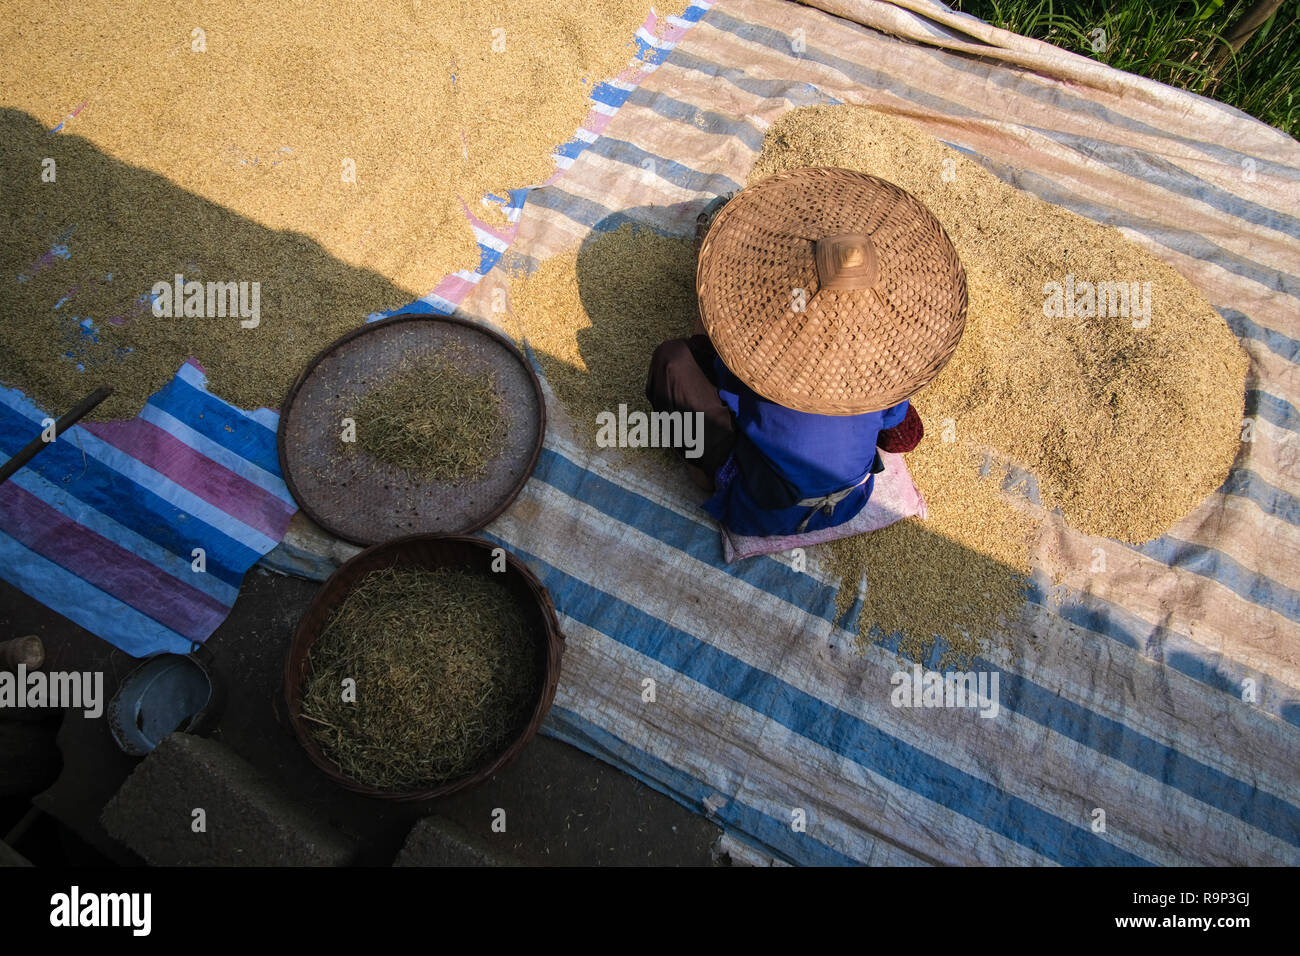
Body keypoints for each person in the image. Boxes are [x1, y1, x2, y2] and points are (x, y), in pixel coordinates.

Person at [646, 167, 966, 541]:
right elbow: (902, 436)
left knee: (674, 362)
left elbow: (713, 366)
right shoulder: (880, 367)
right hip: (850, 502)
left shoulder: (758, 351)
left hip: (759, 507)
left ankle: (706, 475)